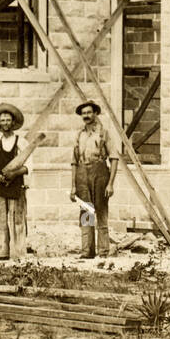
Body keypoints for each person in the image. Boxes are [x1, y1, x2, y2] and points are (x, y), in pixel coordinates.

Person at [70, 100, 119, 259]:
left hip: (100, 173)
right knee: (86, 212)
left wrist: (110, 184)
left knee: (101, 213)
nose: (86, 116)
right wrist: (73, 186)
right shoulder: (79, 134)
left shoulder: (104, 133)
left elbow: (114, 158)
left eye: (89, 112)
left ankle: (103, 252)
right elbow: (74, 161)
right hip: (82, 174)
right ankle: (87, 252)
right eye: (83, 113)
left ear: (95, 114)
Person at [0, 103, 29, 260]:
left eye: (8, 120)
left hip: (16, 186)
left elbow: (29, 166)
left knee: (17, 219)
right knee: (0, 219)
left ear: (13, 122)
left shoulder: (21, 142)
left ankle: (19, 253)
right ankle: (2, 251)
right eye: (2, 120)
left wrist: (14, 173)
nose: (5, 123)